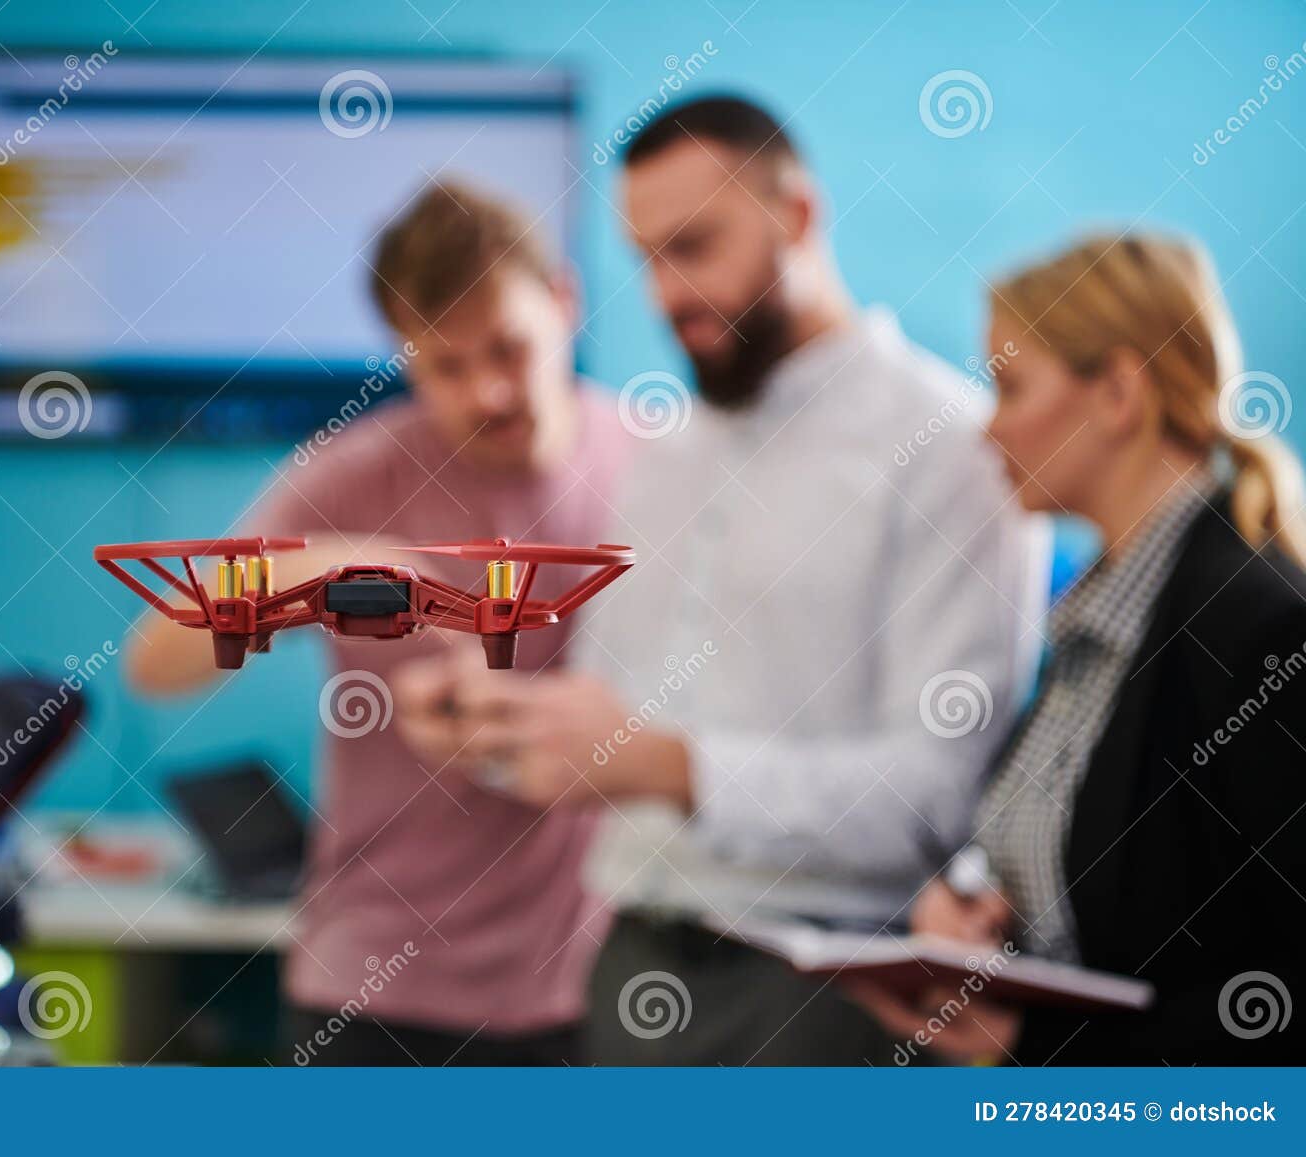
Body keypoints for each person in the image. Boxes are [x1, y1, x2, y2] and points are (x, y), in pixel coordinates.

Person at [393, 96, 1044, 1064]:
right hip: (629, 967)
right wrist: (496, 726)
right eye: (645, 257)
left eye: (693, 247)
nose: (664, 293)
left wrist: (671, 765)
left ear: (798, 216)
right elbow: (618, 728)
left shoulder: (950, 451)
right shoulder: (665, 454)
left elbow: (935, 796)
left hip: (827, 994)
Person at [124, 180, 632, 1064]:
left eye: (508, 349)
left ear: (564, 301)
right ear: (404, 356)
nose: (487, 393)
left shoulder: (656, 463)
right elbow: (156, 661)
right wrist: (319, 569)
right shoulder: (355, 476)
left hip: (594, 988)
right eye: (445, 365)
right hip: (373, 993)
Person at [852, 232, 1306, 1065]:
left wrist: (1047, 1045)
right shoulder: (1104, 611)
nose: (989, 431)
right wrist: (972, 902)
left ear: (1119, 392)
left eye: (1010, 386)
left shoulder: (1262, 633)